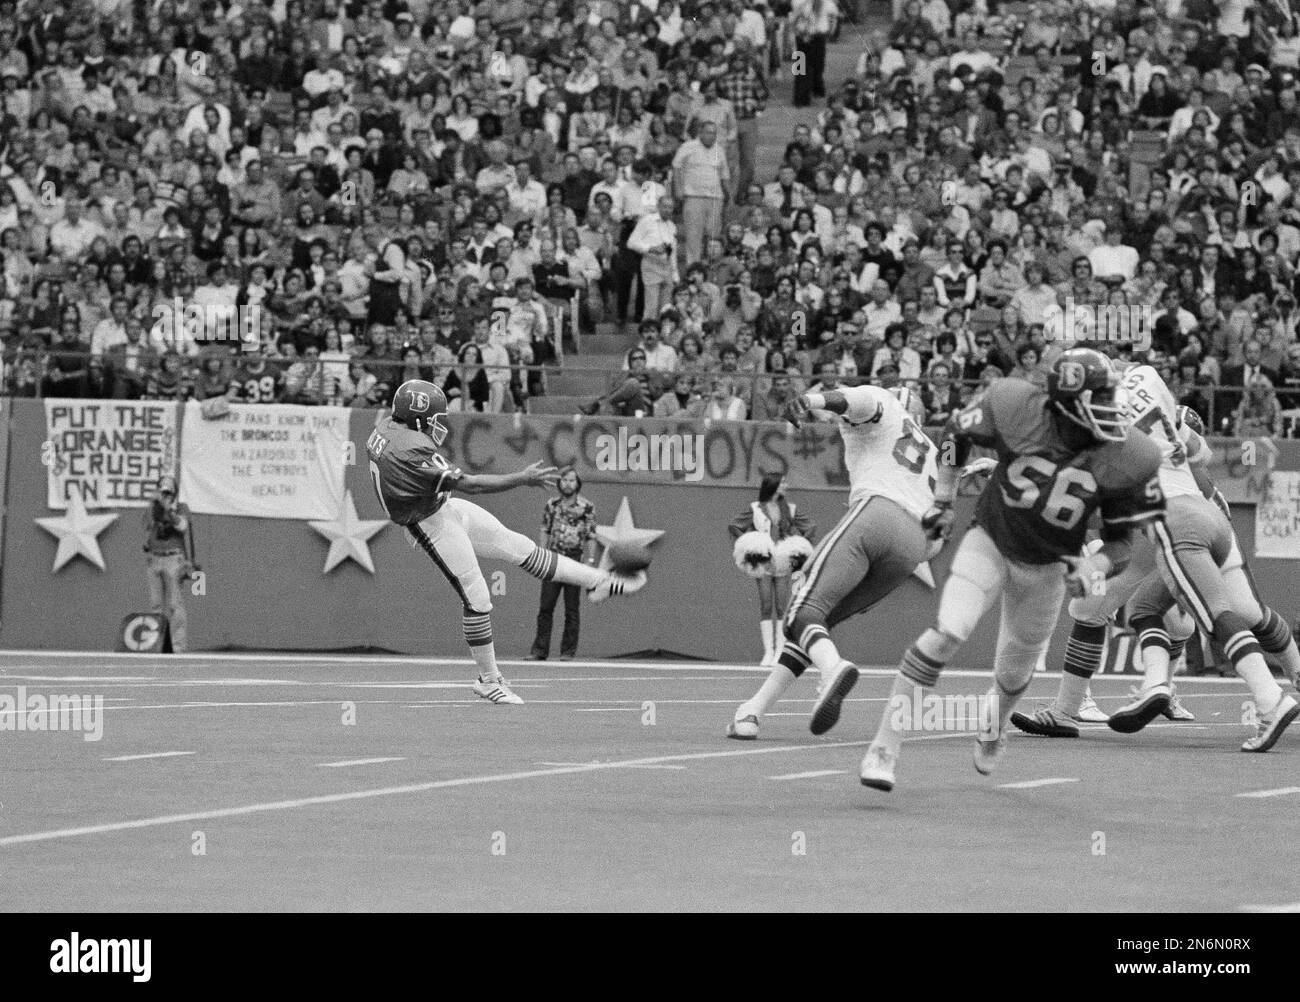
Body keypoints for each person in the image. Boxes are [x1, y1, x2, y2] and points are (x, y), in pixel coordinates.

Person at [854, 348, 1167, 791]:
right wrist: (943, 498)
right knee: (948, 631)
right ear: (1065, 402)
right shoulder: (1014, 404)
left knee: (1015, 675)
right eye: (1098, 397)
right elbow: (954, 434)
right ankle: (884, 747)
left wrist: (1093, 566)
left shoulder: (1129, 454)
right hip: (992, 541)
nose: (1109, 408)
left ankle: (995, 723)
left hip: (1049, 568)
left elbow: (1120, 545)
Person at [366, 380, 645, 705]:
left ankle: (599, 581)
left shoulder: (389, 427)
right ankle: (488, 680)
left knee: (520, 547)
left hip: (438, 506)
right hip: (426, 522)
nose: (438, 424)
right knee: (478, 598)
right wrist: (520, 478)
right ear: (416, 418)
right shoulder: (409, 448)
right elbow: (471, 484)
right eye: (434, 417)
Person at [727, 382, 954, 739]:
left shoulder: (885, 405)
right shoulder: (931, 451)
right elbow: (936, 542)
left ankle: (832, 669)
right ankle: (753, 710)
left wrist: (811, 401)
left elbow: (855, 399)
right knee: (816, 624)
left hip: (879, 513)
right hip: (912, 549)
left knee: (801, 609)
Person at [728, 475, 817, 668]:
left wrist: (797, 544)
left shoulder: (790, 509)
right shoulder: (755, 508)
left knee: (782, 606)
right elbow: (734, 526)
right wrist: (751, 543)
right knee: (766, 604)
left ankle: (780, 651)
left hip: (784, 561)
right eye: (783, 482)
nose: (786, 485)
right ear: (774, 486)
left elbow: (810, 527)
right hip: (765, 561)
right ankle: (768, 652)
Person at [527, 467, 596, 662]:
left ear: (577, 484)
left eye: (571, 480)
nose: (567, 483)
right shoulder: (552, 505)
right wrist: (541, 554)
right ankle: (539, 651)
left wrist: (590, 561)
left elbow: (591, 534)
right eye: (564, 480)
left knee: (572, 608)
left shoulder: (586, 507)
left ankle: (567, 652)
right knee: (545, 607)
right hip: (554, 560)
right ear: (559, 483)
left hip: (575, 560)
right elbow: (545, 529)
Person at [142, 475, 196, 653]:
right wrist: (153, 505)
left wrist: (169, 511)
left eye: (168, 491)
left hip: (174, 559)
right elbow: (147, 526)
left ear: (174, 493)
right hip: (154, 558)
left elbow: (182, 527)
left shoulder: (181, 508)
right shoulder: (153, 509)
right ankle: (156, 645)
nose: (165, 494)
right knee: (156, 605)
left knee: (175, 604)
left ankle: (178, 647)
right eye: (162, 490)